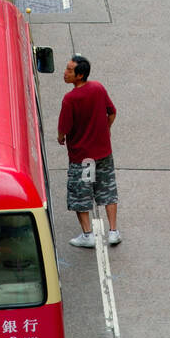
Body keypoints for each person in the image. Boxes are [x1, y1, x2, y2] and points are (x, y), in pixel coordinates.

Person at [58, 55, 120, 248]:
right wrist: (105, 130)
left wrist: (61, 138)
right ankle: (113, 232)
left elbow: (64, 129)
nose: (65, 73)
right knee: (108, 190)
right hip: (103, 153)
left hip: (82, 158)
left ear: (80, 75)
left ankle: (88, 235)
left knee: (81, 195)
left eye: (69, 70)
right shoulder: (98, 88)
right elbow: (112, 112)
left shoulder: (70, 99)